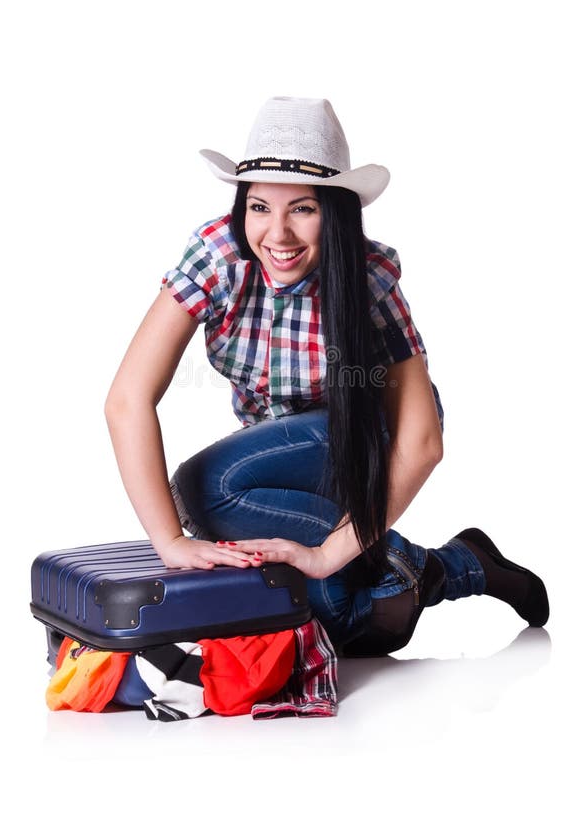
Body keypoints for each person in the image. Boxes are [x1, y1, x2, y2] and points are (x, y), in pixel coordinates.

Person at [104, 96, 549, 656]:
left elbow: (422, 441)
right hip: (288, 458)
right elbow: (128, 399)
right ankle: (455, 566)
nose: (278, 233)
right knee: (336, 618)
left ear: (335, 210)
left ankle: (388, 564)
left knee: (206, 486)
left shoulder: (367, 274)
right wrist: (169, 542)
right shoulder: (217, 256)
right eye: (260, 206)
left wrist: (325, 554)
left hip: (369, 439)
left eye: (304, 209)